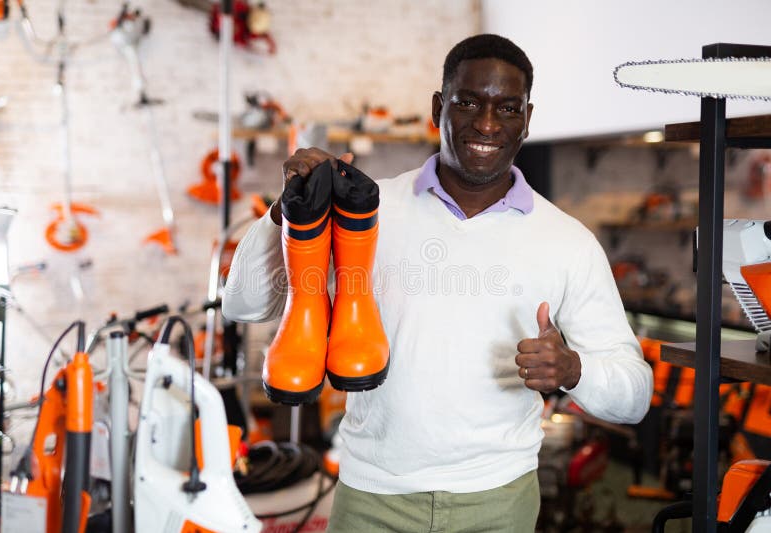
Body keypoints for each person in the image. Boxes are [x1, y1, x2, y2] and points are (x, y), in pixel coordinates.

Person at [224, 33, 653, 532]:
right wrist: (287, 209)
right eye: (468, 102)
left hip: (498, 500)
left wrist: (573, 368)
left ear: (528, 120)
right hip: (373, 497)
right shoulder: (365, 210)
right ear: (437, 108)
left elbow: (635, 395)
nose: (487, 123)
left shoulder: (567, 242)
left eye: (507, 108)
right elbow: (244, 304)